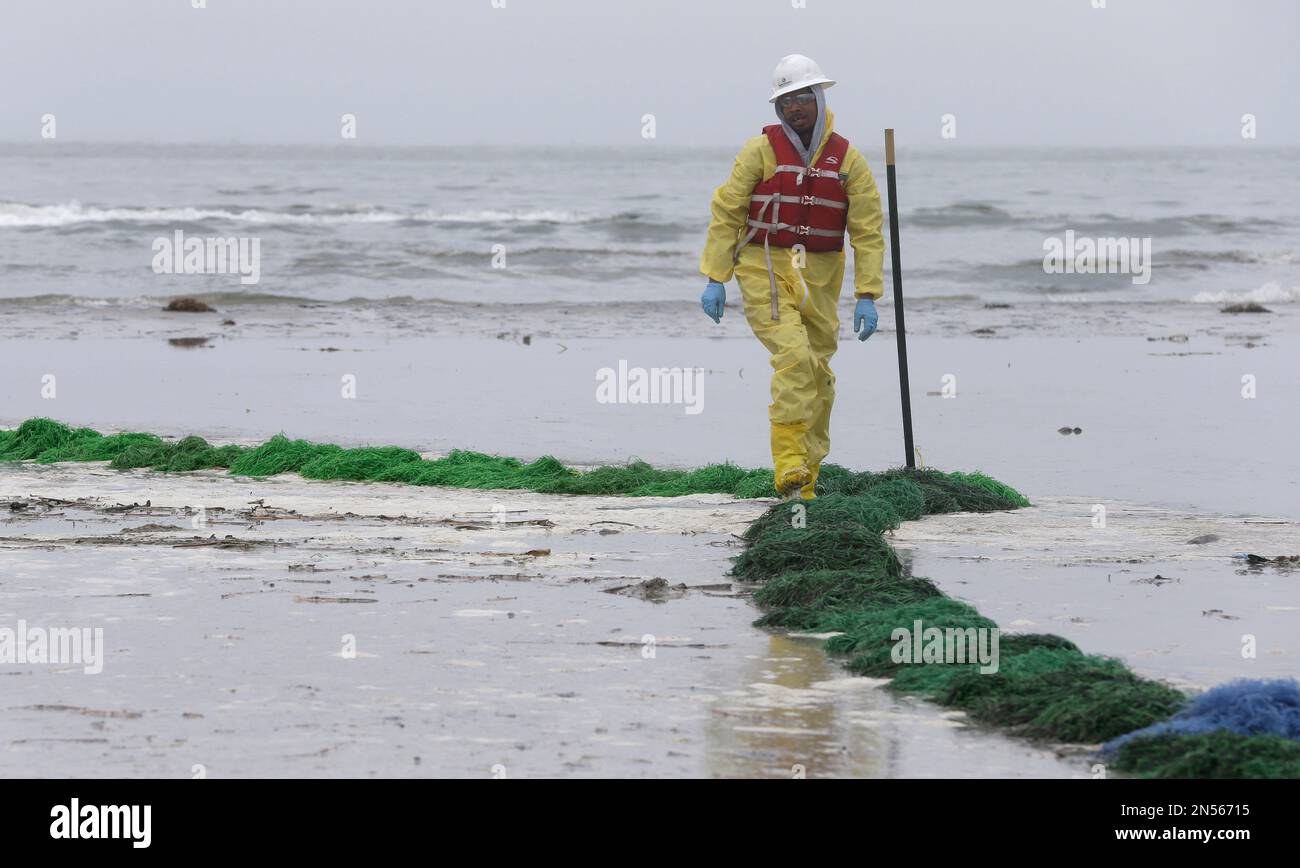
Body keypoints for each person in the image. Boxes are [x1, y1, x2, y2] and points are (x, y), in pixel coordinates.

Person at [699, 54, 886, 499]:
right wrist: (715, 275)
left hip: (821, 276)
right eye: (785, 101)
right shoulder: (759, 152)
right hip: (764, 265)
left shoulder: (849, 160)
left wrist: (868, 293)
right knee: (794, 358)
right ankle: (787, 464)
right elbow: (727, 213)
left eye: (802, 97)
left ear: (819, 98)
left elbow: (868, 230)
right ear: (776, 108)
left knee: (818, 372)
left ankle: (807, 480)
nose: (795, 108)